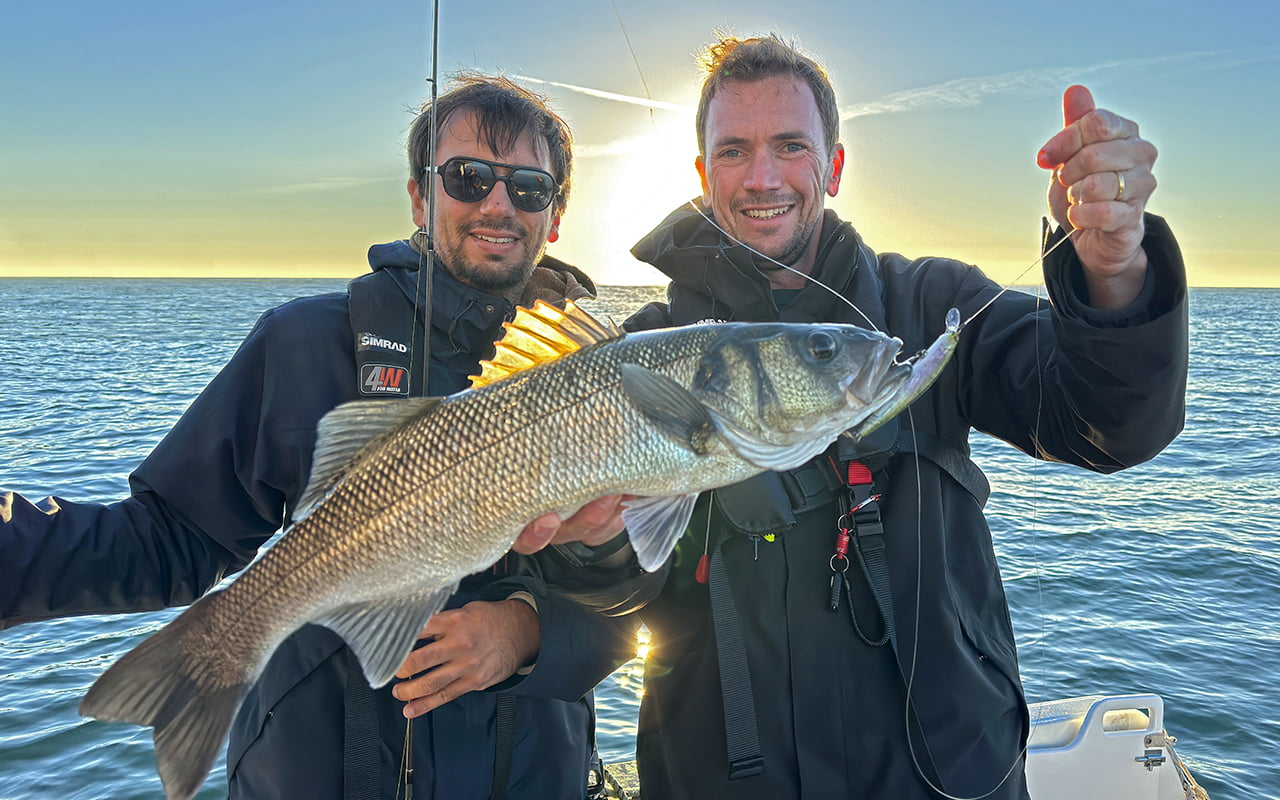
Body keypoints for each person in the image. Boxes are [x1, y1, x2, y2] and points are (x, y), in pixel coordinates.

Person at [0, 73, 656, 799]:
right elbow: (171, 537)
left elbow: (631, 604)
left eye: (529, 187)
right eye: (468, 178)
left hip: (534, 776)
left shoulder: (609, 374)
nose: (498, 204)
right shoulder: (307, 342)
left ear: (556, 215)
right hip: (316, 771)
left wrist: (528, 632)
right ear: (419, 194)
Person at [623, 34, 1188, 799]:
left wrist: (1115, 271)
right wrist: (580, 556)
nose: (763, 177)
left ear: (835, 165)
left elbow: (1106, 426)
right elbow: (604, 587)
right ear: (700, 172)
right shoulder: (637, 358)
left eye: (792, 145)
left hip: (945, 776)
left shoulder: (931, 305)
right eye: (734, 150)